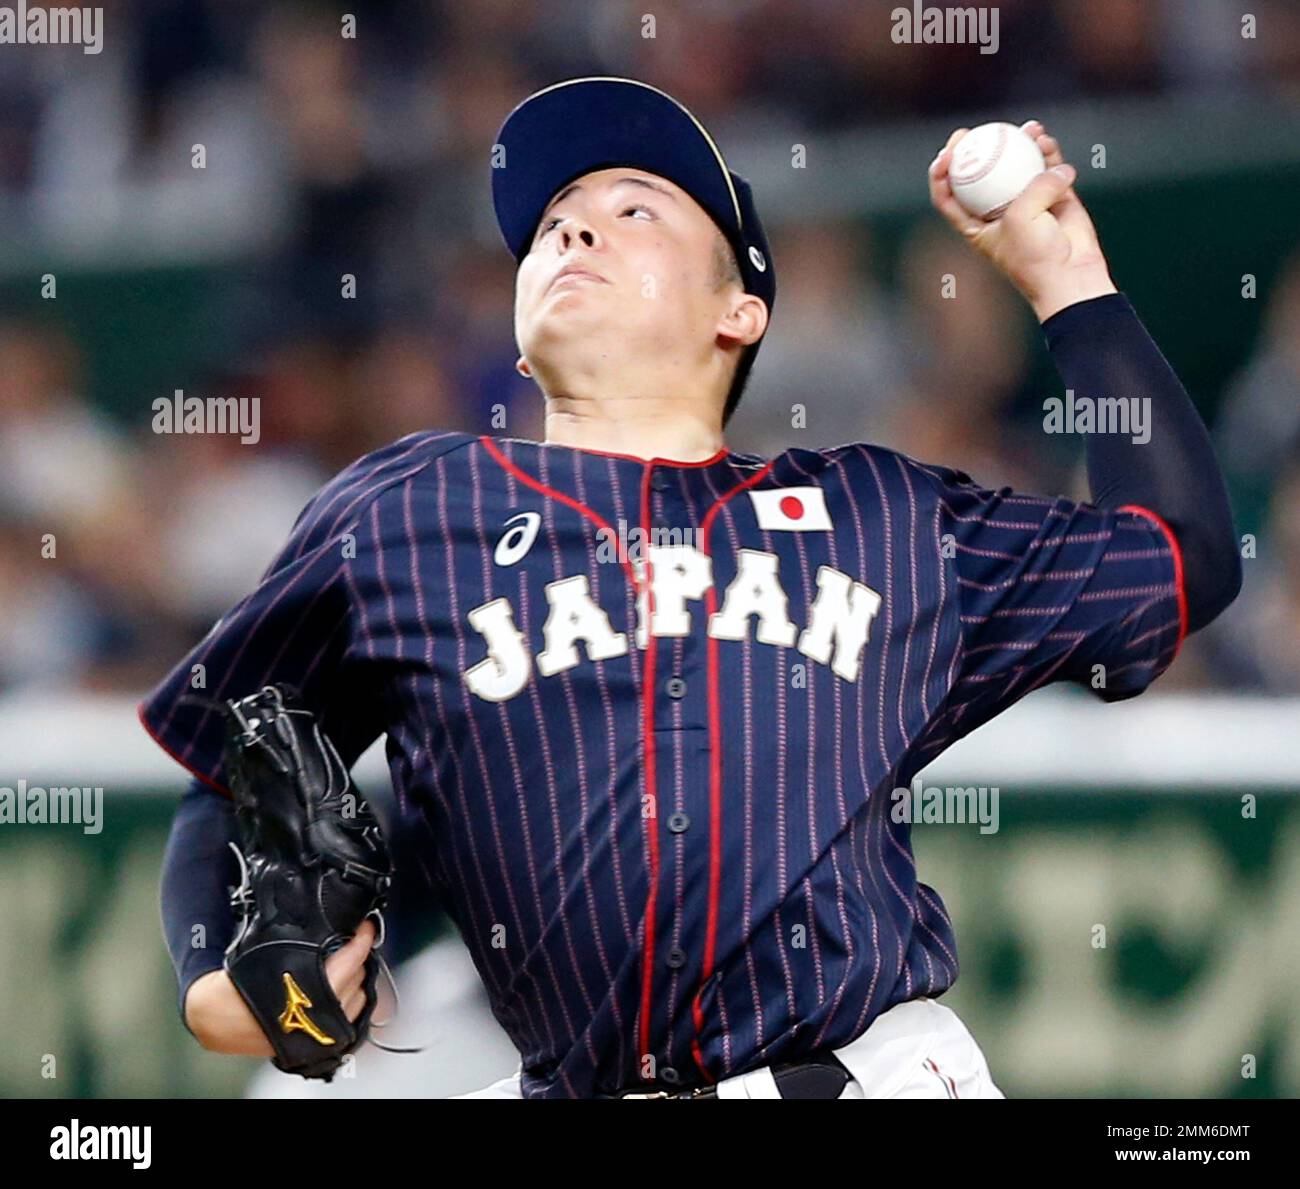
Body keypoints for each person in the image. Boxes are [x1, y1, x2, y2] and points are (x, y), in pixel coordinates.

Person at [144, 77, 1240, 1099]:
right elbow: (236, 763)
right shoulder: (404, 512)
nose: (572, 226)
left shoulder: (881, 518)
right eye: (555, 218)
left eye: (634, 211)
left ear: (739, 312)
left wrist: (1067, 284)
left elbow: (1178, 555)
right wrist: (209, 981)